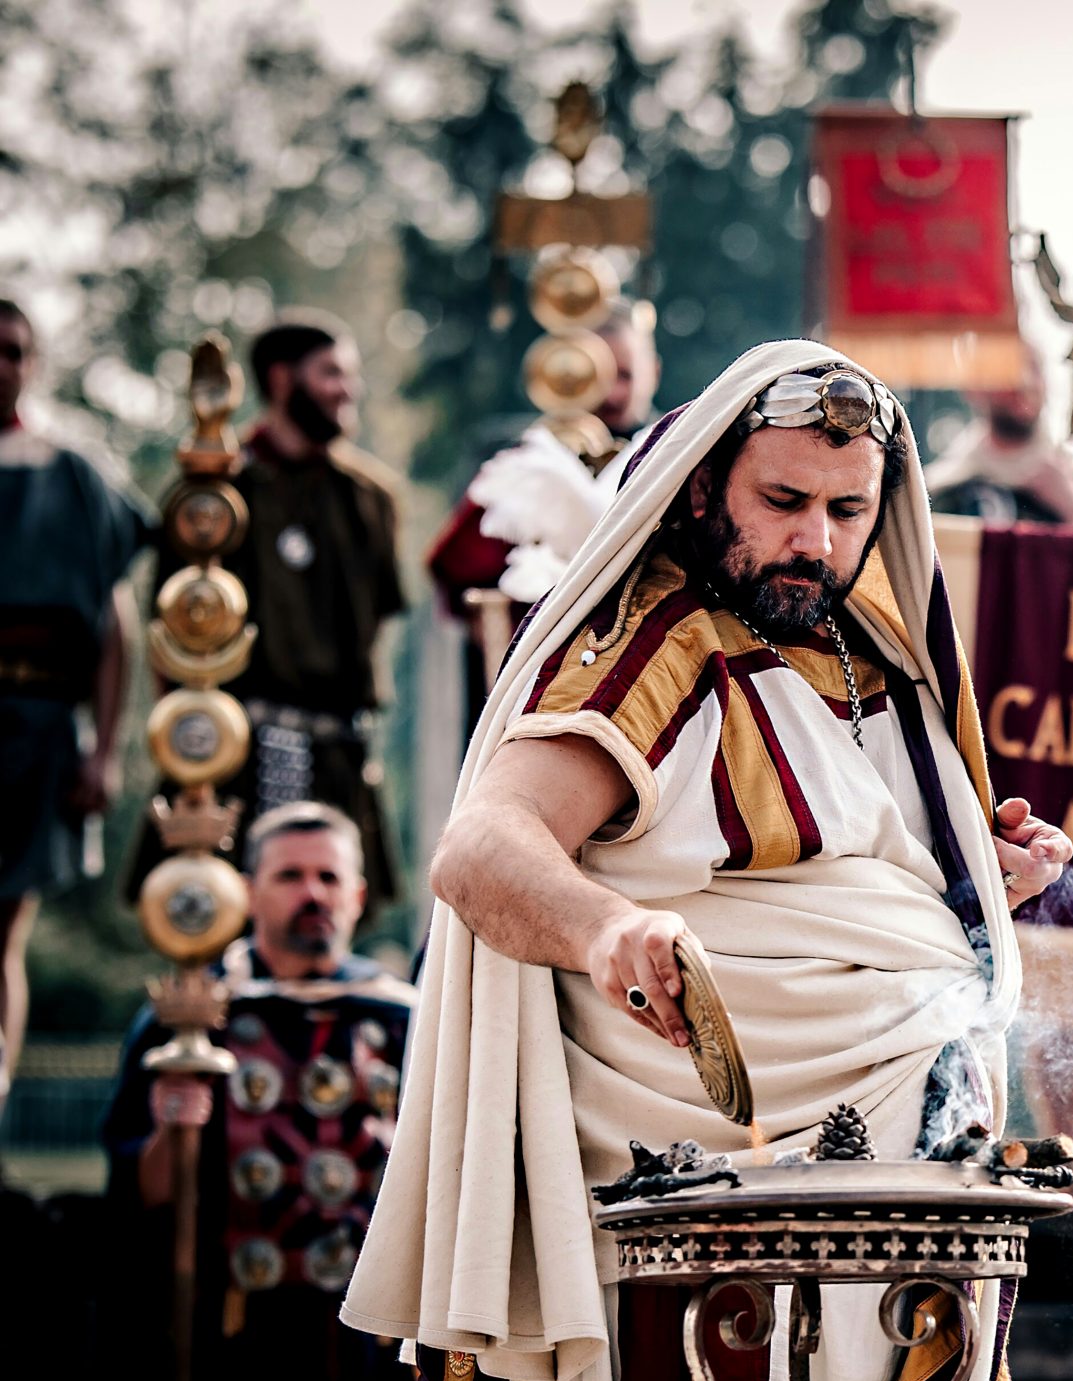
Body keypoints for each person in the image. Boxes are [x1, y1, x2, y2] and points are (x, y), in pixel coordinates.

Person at [342, 343, 1073, 1381]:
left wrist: (978, 870)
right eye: (784, 500)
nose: (817, 540)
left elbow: (867, 882)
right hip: (713, 1175)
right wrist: (604, 928)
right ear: (699, 493)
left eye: (850, 512)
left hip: (910, 1175)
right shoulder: (650, 637)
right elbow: (484, 847)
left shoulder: (879, 659)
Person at [91, 802, 430, 1381]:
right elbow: (141, 1195)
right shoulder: (187, 1018)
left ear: (359, 893)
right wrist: (174, 1120)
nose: (311, 894)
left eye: (328, 877)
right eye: (289, 874)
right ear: (248, 891)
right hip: (231, 1354)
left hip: (367, 1358)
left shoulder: (406, 1020)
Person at [138, 313, 407, 904]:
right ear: (282, 379)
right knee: (214, 919)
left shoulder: (371, 500)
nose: (348, 389)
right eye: (332, 372)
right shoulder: (211, 498)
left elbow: (376, 628)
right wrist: (192, 753)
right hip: (232, 757)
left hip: (338, 754)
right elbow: (171, 637)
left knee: (327, 925)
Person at [0, 298, 147, 1096]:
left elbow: (112, 623)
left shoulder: (71, 473)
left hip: (37, 728)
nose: (4, 366)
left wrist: (103, 749)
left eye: (16, 350)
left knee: (2, 934)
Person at [428, 298, 663, 716]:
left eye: (624, 374)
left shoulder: (678, 462)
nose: (610, 392)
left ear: (653, 372)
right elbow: (462, 569)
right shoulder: (524, 461)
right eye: (595, 375)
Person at [927, 353, 1073, 528]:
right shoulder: (941, 498)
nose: (1024, 381)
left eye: (1033, 367)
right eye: (1007, 367)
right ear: (973, 388)